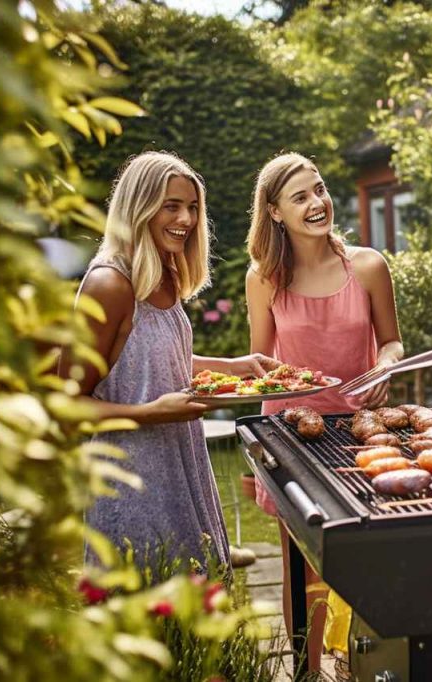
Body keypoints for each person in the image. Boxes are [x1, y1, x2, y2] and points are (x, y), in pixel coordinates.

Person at [62, 151, 278, 571]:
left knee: (197, 594)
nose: (187, 219)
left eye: (193, 207)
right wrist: (150, 413)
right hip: (130, 480)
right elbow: (67, 404)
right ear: (138, 207)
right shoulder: (109, 283)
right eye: (172, 206)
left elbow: (149, 359)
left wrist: (235, 366)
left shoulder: (164, 273)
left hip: (181, 462)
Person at [245, 152, 403, 675]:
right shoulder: (264, 279)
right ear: (274, 212)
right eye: (301, 197)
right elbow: (262, 362)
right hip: (289, 438)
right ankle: (306, 671)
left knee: (366, 560)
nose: (317, 203)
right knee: (303, 568)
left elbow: (392, 342)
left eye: (320, 189)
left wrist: (384, 366)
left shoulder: (368, 266)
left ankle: (362, 665)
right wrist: (283, 380)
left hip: (360, 431)